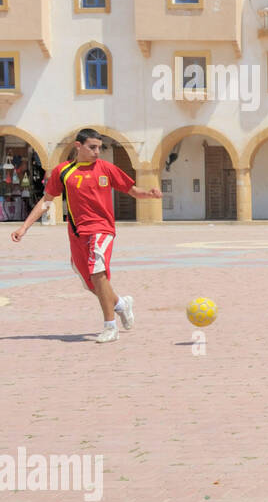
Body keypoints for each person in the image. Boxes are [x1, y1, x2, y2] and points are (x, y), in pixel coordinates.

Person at [8, 128, 162, 343]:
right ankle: (120, 304)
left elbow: (132, 190)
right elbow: (46, 200)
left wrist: (149, 194)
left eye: (99, 147)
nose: (97, 151)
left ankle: (110, 327)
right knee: (92, 284)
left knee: (98, 272)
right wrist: (24, 228)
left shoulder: (107, 169)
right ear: (78, 146)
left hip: (101, 229)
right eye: (92, 147)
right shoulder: (64, 171)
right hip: (76, 234)